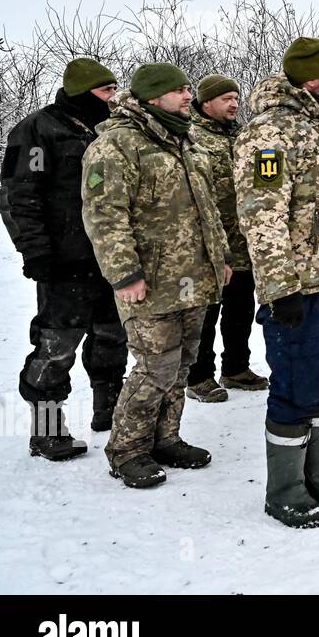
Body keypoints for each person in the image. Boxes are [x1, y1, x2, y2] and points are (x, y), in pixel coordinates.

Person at [235, 37, 319, 527]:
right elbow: (262, 214)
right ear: (312, 80)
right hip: (301, 287)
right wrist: (279, 289)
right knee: (296, 386)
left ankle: (318, 474)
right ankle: (285, 489)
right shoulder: (270, 134)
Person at [82, 63, 231, 488]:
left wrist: (218, 257)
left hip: (193, 277)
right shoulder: (117, 145)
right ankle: (127, 448)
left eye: (189, 88)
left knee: (182, 365)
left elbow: (209, 209)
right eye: (179, 90)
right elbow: (104, 216)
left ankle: (165, 438)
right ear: (152, 97)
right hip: (149, 280)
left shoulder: (183, 141)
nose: (189, 96)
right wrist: (124, 273)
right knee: (154, 368)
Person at [0, 57, 127, 458]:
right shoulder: (39, 130)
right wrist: (35, 252)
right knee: (55, 348)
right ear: (82, 91)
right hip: (63, 261)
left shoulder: (111, 130)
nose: (113, 97)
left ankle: (109, 411)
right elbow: (18, 197)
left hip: (109, 258)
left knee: (112, 338)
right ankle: (47, 431)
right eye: (106, 91)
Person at [185, 73, 268, 402]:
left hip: (242, 242)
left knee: (240, 311)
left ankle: (235, 368)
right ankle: (199, 376)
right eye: (226, 99)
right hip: (207, 246)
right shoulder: (190, 136)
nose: (234, 103)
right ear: (206, 103)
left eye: (236, 98)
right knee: (205, 314)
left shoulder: (243, 136)